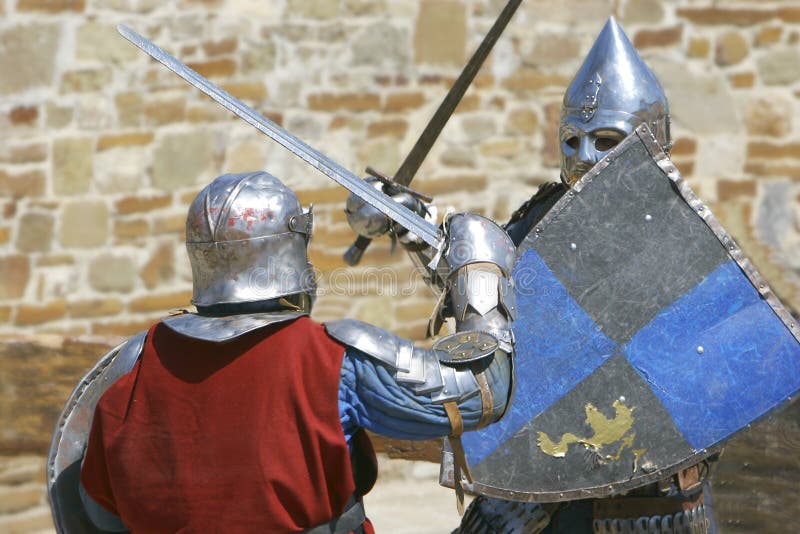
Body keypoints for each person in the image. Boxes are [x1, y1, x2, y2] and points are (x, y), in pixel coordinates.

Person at [346, 17, 717, 534]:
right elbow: (489, 288)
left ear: (649, 138)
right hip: (540, 468)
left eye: (606, 139)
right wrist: (411, 223)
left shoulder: (679, 229)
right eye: (574, 139)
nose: (584, 157)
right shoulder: (548, 212)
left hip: (642, 492)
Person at [64, 171, 515, 533]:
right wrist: (479, 267)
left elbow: (96, 510)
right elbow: (483, 389)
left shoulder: (138, 362)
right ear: (290, 247)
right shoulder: (330, 358)